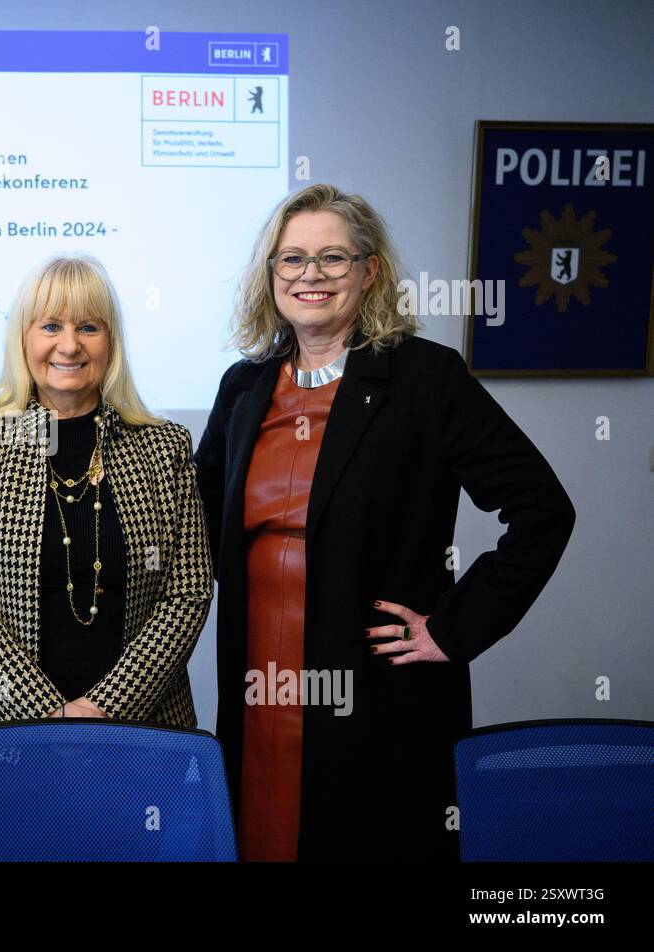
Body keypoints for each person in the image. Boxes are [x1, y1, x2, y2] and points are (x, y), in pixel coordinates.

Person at [194, 184, 576, 861]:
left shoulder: (427, 380)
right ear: (271, 275)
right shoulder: (244, 386)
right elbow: (194, 522)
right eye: (292, 259)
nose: (310, 276)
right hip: (258, 689)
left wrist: (455, 627)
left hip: (375, 695)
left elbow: (544, 510)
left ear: (369, 271)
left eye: (333, 258)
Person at [0, 254, 213, 730]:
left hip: (140, 725)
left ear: (111, 340)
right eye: (49, 326)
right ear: (23, 337)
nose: (69, 345)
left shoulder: (164, 448)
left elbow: (186, 592)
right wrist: (43, 711)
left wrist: (110, 706)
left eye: (88, 327)